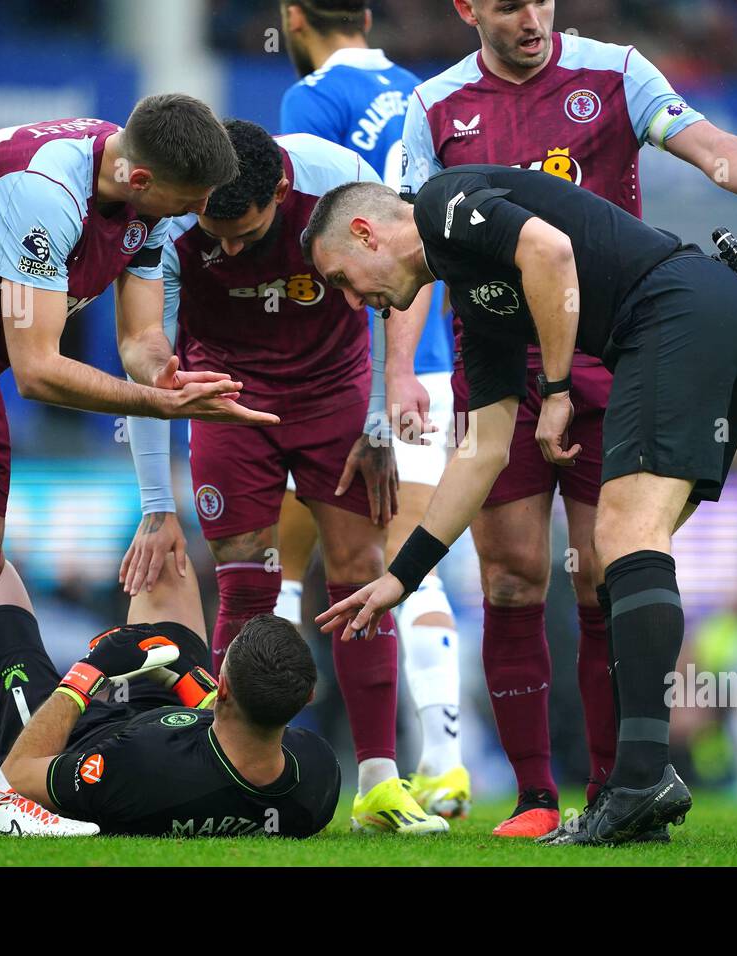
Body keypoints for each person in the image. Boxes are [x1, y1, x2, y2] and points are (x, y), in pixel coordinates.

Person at [394, 0, 737, 838]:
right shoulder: (435, 107)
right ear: (468, 9)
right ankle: (530, 797)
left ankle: (614, 784)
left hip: (612, 359)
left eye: (543, 0)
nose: (533, 16)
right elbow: (414, 249)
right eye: (511, 4)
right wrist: (401, 373)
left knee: (604, 569)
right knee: (511, 576)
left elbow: (705, 142)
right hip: (499, 363)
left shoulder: (615, 70)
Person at [0, 95, 277, 838]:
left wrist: (163, 377)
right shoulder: (43, 196)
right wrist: (155, 406)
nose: (201, 215)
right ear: (139, 176)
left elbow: (139, 335)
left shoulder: (148, 198)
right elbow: (38, 369)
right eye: (192, 201)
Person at [304, 165, 737, 844]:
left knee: (622, 537)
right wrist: (400, 577)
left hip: (678, 311)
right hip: (719, 322)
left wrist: (557, 388)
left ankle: (640, 777)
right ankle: (638, 795)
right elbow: (483, 452)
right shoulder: (478, 295)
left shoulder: (441, 202)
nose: (355, 304)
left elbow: (550, 250)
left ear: (365, 233)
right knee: (630, 559)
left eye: (343, 280)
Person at [118, 119, 448, 835]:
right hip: (228, 399)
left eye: (246, 232)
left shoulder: (334, 176)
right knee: (244, 578)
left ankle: (380, 783)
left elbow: (402, 278)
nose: (229, 249)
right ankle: (225, 771)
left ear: (283, 189)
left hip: (335, 398)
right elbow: (149, 371)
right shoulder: (170, 223)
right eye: (217, 231)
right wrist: (154, 502)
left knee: (362, 569)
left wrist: (378, 419)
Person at [277, 0, 470, 821]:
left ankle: (266, 737)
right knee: (409, 557)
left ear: (294, 16)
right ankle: (449, 764)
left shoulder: (310, 99)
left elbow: (308, 243)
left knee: (313, 564)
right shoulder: (418, 89)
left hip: (356, 363)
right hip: (434, 357)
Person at [0, 559, 340, 839]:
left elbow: (16, 778)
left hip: (80, 740)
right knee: (163, 564)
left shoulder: (139, 764)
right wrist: (185, 675)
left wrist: (90, 671)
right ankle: (158, 515)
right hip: (168, 724)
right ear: (307, 697)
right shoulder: (318, 777)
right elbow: (239, 732)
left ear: (223, 686)